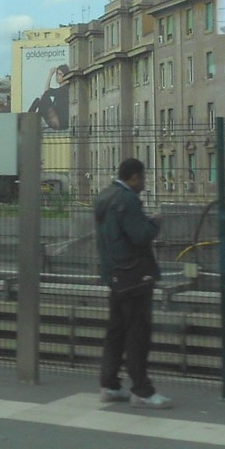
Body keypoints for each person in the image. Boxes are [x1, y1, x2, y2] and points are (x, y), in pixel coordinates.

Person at [94, 157, 172, 408]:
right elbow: (140, 236)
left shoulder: (104, 196)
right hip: (134, 276)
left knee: (115, 332)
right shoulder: (127, 200)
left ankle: (109, 385)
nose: (144, 183)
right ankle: (142, 390)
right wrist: (155, 222)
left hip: (114, 276)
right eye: (143, 178)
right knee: (138, 333)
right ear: (135, 177)